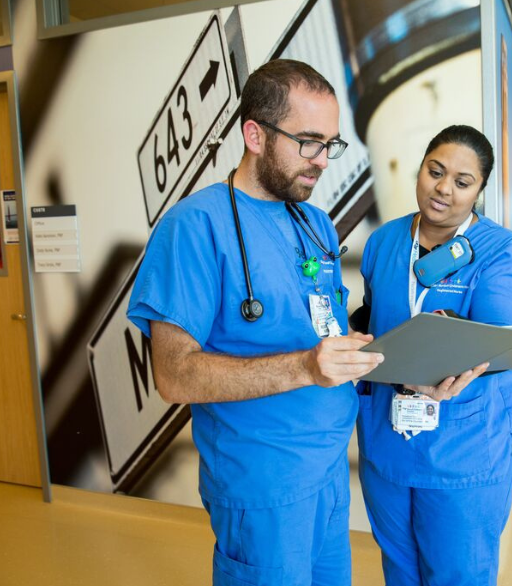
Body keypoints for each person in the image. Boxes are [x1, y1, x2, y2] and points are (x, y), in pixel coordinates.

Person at [126, 59, 384, 586]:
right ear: (255, 134)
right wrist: (306, 368)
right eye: (308, 142)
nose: (322, 161)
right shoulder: (193, 229)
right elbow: (175, 377)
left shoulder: (314, 223)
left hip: (331, 470)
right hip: (263, 487)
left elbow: (321, 327)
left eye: (330, 144)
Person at [352, 125, 512, 586]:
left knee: (458, 574)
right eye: (436, 171)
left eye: (462, 181)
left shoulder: (500, 250)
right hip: (386, 441)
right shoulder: (383, 242)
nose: (443, 189)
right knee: (399, 568)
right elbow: (377, 313)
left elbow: (496, 340)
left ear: (479, 191)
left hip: (465, 449)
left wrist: (448, 360)